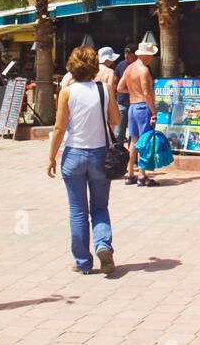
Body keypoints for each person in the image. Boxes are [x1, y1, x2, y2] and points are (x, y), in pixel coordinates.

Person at [46, 46, 121, 275]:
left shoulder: (67, 92)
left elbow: (59, 128)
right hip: (100, 155)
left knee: (77, 211)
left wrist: (51, 157)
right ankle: (102, 245)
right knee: (99, 207)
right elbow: (116, 119)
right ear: (94, 67)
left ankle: (82, 262)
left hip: (74, 155)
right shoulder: (104, 89)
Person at [118, 37, 158, 185]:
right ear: (145, 55)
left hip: (132, 106)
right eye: (151, 55)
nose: (152, 58)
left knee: (133, 141)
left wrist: (134, 92)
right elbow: (147, 93)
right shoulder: (144, 70)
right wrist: (153, 112)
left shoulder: (129, 68)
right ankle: (142, 175)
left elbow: (120, 88)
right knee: (144, 140)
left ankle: (130, 174)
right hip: (142, 106)